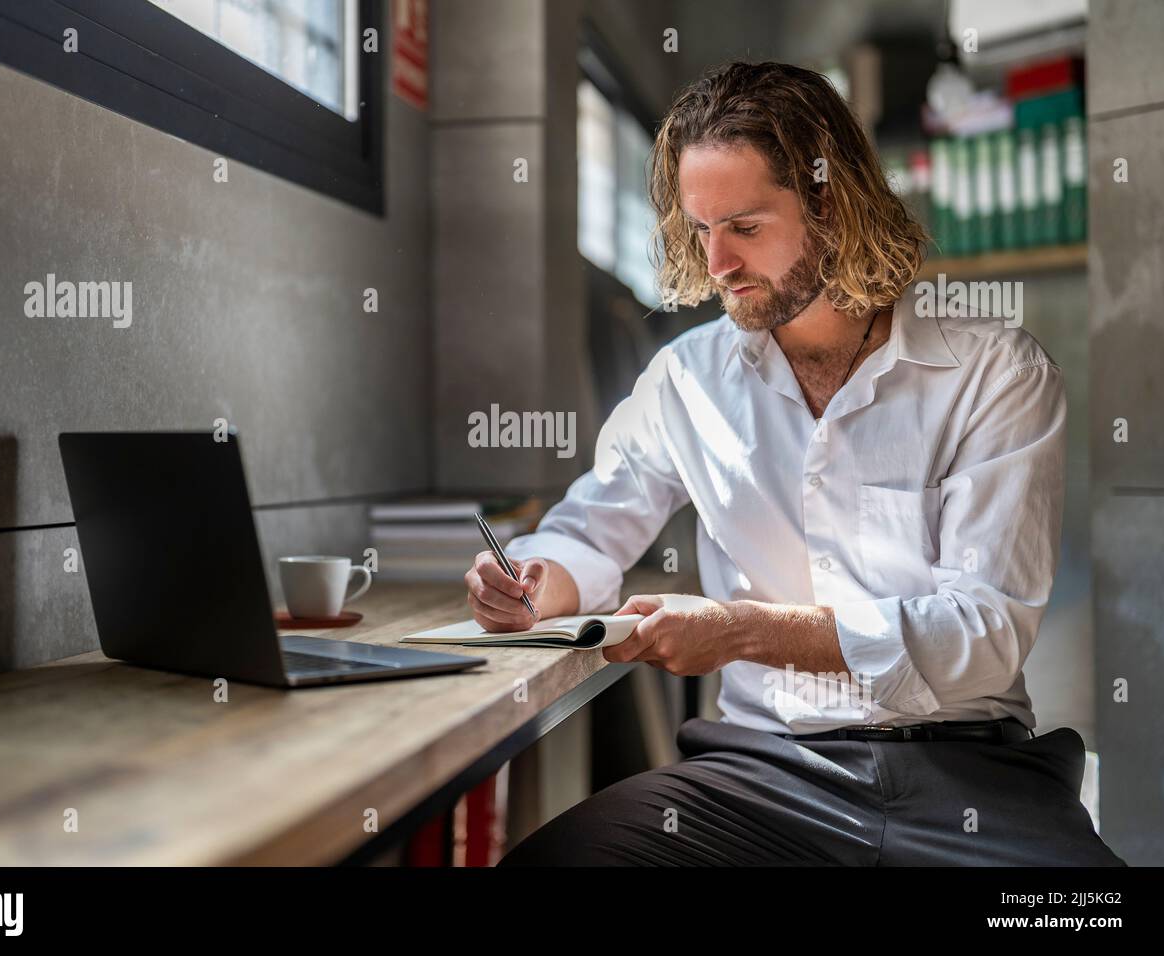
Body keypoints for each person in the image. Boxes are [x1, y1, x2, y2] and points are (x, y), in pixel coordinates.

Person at [464, 61, 1126, 866]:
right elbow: (590, 531)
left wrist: (746, 631)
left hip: (969, 773)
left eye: (744, 227)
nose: (717, 265)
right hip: (758, 775)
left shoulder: (996, 374)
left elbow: (982, 636)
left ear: (830, 203)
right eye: (701, 229)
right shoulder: (687, 380)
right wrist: (533, 584)